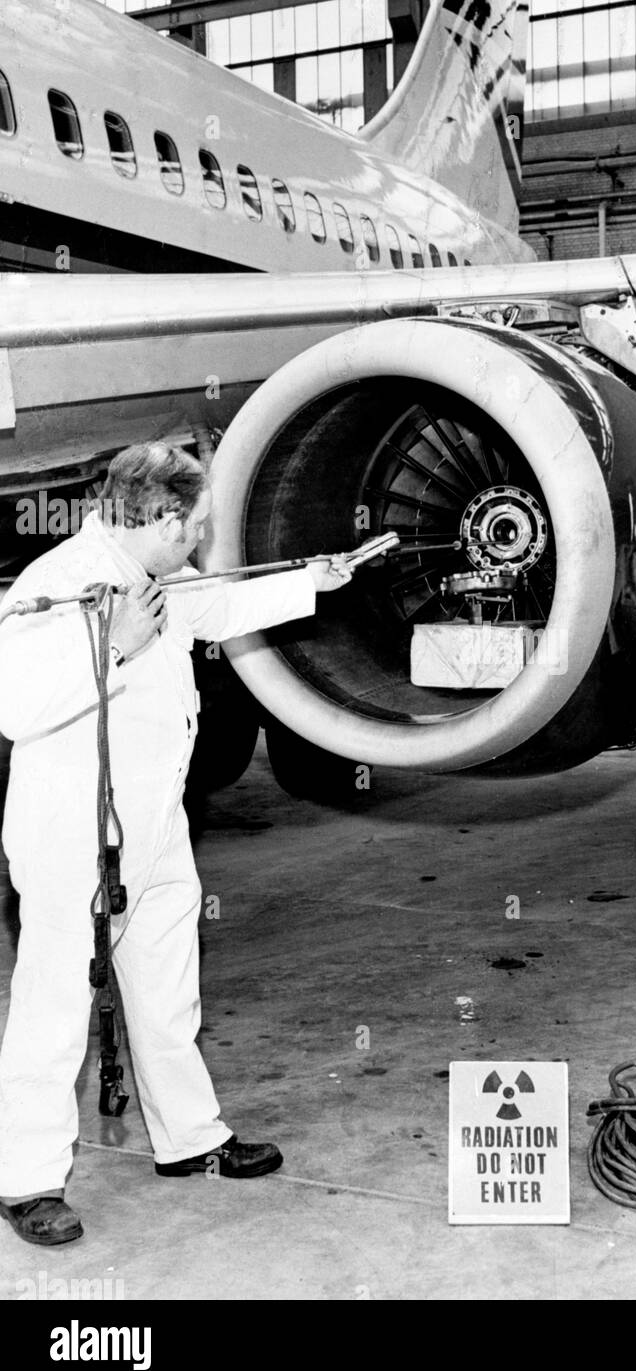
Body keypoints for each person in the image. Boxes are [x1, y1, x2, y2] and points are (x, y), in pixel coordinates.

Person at [0, 442, 352, 1246]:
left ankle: (189, 1139)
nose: (200, 541)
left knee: (167, 991)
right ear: (159, 519)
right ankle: (27, 1183)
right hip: (70, 839)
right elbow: (13, 706)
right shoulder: (56, 584)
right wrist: (113, 648)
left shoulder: (160, 576)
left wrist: (317, 578)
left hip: (154, 830)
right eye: (193, 528)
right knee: (53, 1014)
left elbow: (220, 610)